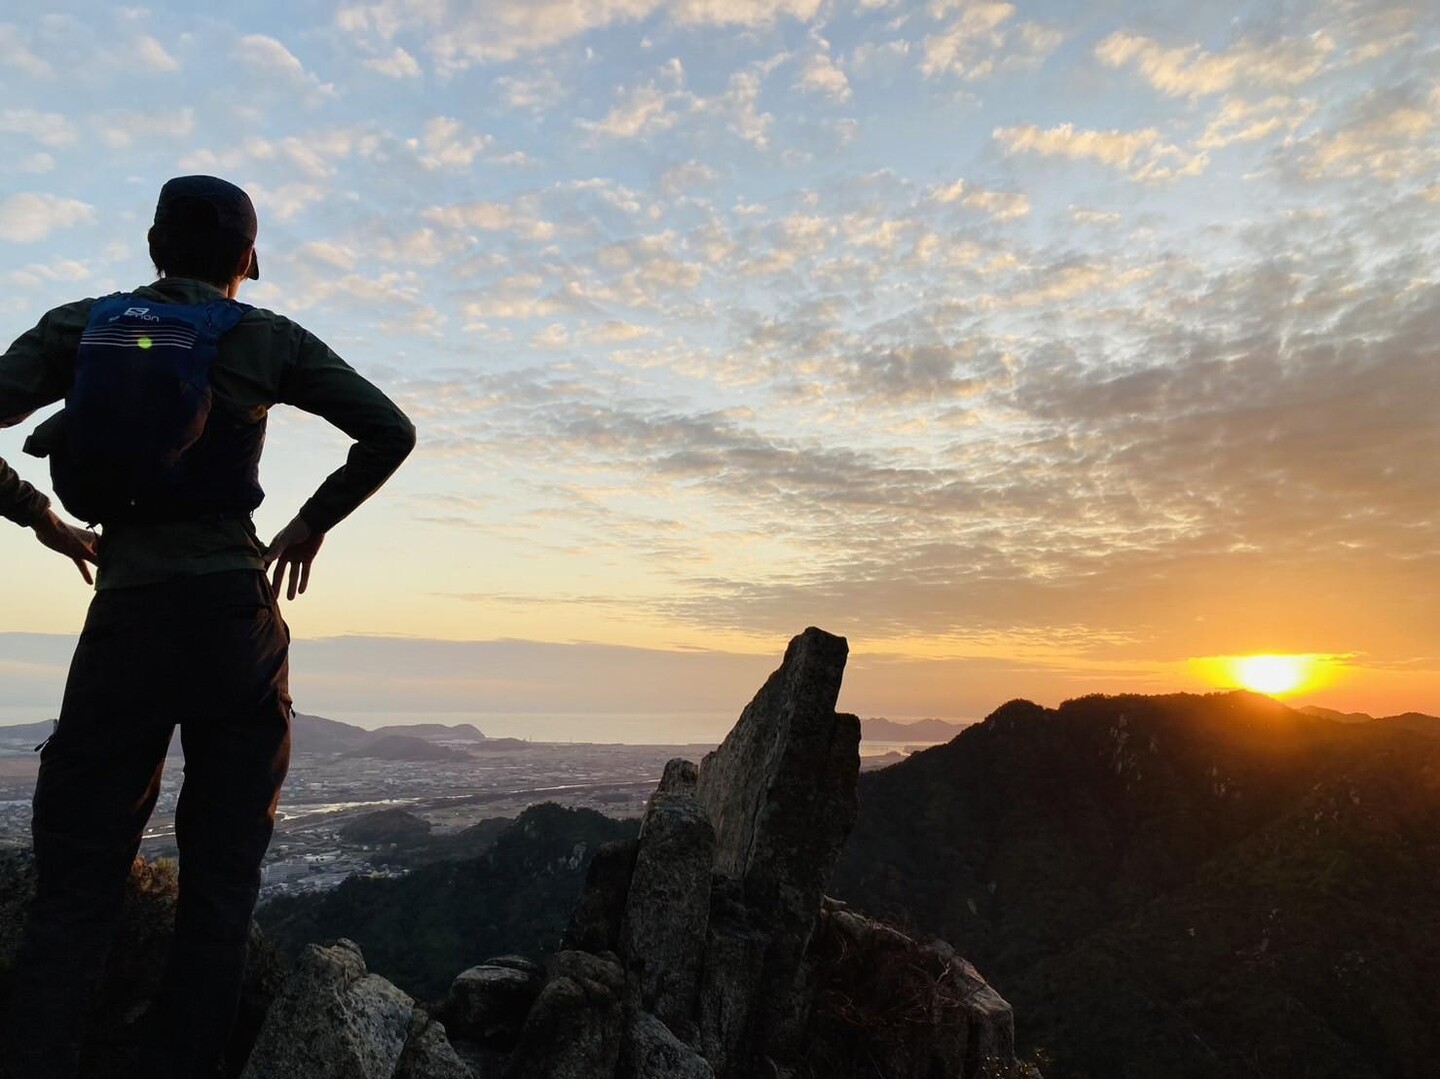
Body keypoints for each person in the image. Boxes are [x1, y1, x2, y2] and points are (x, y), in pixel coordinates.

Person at [0, 175, 416, 1078]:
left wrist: (39, 515)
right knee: (221, 885)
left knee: (75, 886)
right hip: (234, 621)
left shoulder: (84, 326)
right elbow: (390, 429)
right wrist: (311, 522)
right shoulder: (266, 337)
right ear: (246, 261)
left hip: (126, 619)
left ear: (155, 246)